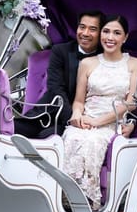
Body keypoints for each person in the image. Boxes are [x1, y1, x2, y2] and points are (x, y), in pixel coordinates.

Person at [62, 15, 137, 211]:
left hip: (113, 122)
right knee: (70, 138)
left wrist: (97, 122)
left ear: (125, 37)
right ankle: (65, 198)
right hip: (86, 119)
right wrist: (76, 116)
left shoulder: (134, 64)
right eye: (106, 31)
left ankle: (88, 200)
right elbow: (79, 100)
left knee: (92, 142)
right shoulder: (88, 63)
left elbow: (131, 103)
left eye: (116, 33)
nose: (110, 37)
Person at [14, 10, 103, 138]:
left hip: (82, 120)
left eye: (92, 29)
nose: (85, 33)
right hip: (47, 113)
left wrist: (76, 120)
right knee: (12, 129)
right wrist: (71, 117)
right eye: (82, 27)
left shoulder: (104, 57)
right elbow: (55, 87)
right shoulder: (60, 51)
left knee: (47, 137)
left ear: (101, 33)